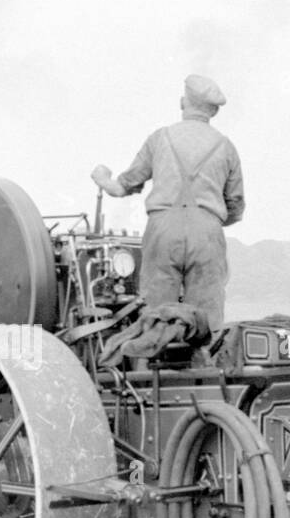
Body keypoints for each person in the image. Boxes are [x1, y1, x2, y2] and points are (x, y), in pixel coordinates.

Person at [91, 74, 244, 346]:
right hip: (208, 233)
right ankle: (204, 375)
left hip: (162, 231)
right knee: (206, 320)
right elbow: (236, 208)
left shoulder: (160, 138)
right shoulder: (226, 147)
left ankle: (156, 377)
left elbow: (120, 187)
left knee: (157, 317)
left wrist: (101, 177)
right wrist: (206, 221)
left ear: (183, 102)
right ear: (214, 110)